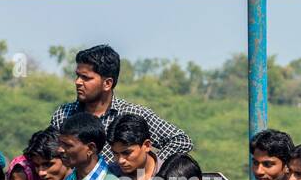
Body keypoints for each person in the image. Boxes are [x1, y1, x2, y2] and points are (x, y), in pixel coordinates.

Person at [50, 45, 193, 163]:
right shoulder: (63, 115)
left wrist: (150, 167)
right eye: (77, 75)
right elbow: (49, 154)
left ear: (107, 83)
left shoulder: (134, 114)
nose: (78, 82)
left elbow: (181, 141)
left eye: (85, 78)